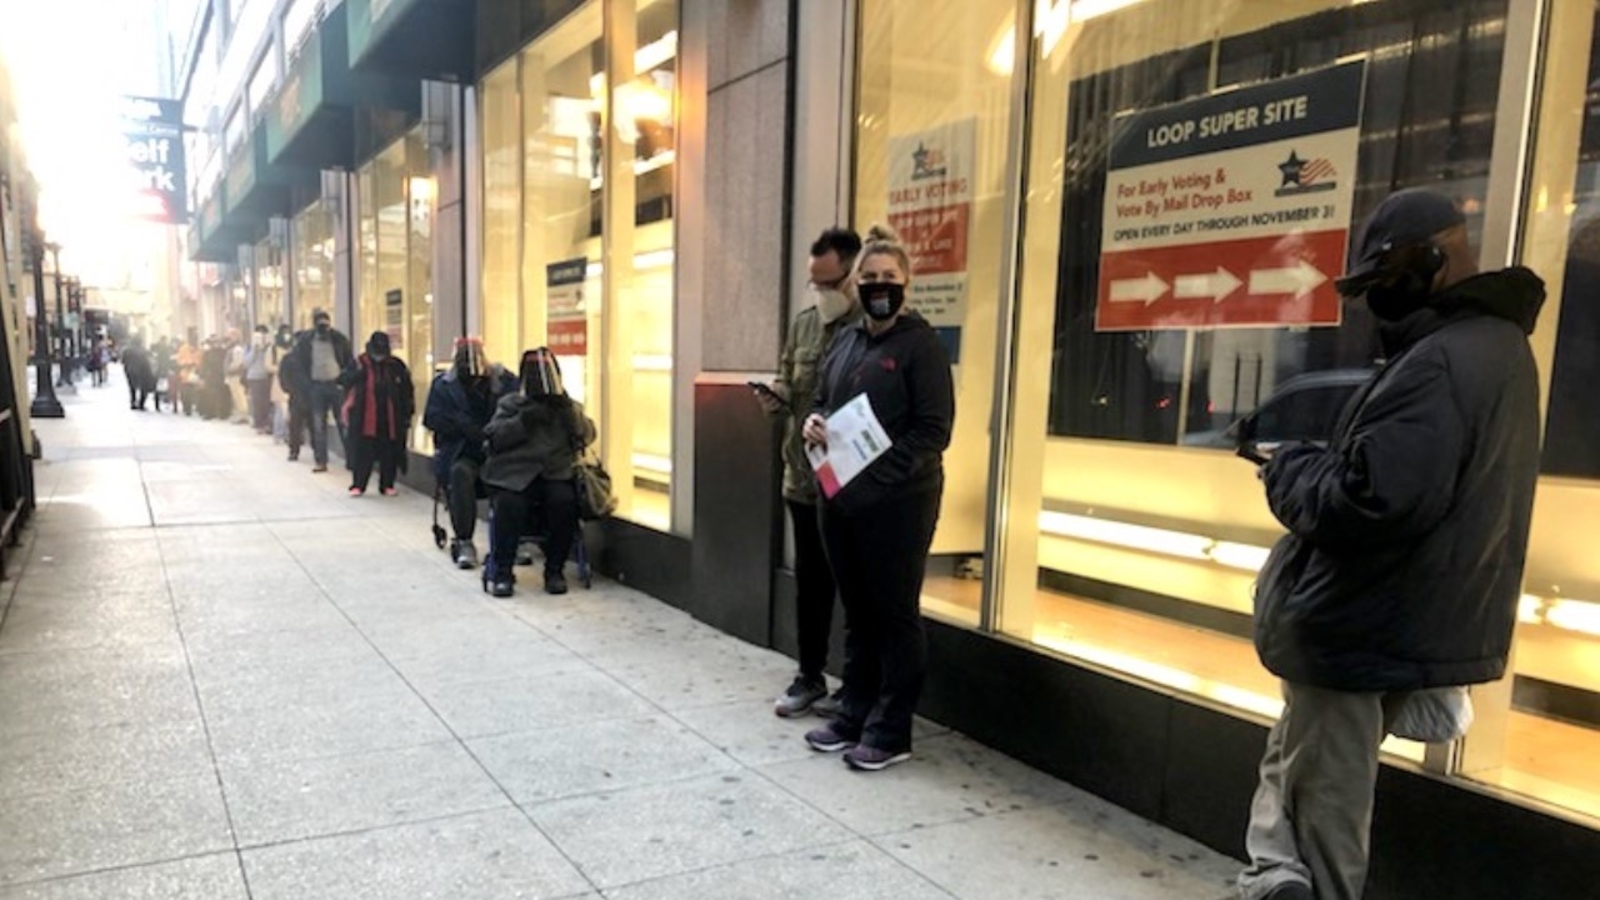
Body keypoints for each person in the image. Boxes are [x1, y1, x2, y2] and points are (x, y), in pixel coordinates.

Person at [1235, 190, 1544, 900]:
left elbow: (1369, 500)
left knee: (1323, 814)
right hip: (1401, 617)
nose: (1376, 302)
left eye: (1381, 282)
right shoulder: (1498, 351)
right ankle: (1276, 882)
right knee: (1294, 776)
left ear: (1431, 263)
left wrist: (1289, 468)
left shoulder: (1441, 361)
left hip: (1362, 620)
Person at [799, 224, 955, 772]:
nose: (879, 285)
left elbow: (932, 433)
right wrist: (813, 422)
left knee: (893, 614)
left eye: (889, 277)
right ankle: (853, 712)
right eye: (869, 277)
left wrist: (876, 477)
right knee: (858, 612)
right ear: (855, 284)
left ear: (907, 283)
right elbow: (822, 398)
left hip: (898, 504)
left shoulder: (921, 347)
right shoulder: (844, 340)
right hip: (839, 499)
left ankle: (891, 731)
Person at [756, 226, 863, 718]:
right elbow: (787, 379)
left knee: (857, 585)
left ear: (853, 275)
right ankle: (810, 674)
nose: (820, 293)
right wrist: (774, 397)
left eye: (829, 283)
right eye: (814, 284)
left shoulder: (872, 329)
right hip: (803, 478)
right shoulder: (802, 325)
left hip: (854, 484)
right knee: (812, 583)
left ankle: (854, 682)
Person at [481, 348, 595, 598]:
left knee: (564, 502)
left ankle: (555, 570)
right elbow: (494, 438)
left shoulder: (567, 406)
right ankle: (503, 571)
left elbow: (587, 435)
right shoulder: (510, 405)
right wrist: (524, 421)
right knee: (508, 504)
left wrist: (567, 412)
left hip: (555, 473)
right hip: (516, 475)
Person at [424, 337, 517, 570]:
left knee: (520, 474)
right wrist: (459, 424)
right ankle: (464, 539)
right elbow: (431, 418)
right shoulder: (443, 386)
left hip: (499, 451)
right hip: (463, 452)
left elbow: (520, 408)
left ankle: (516, 539)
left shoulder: (504, 381)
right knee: (460, 474)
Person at [338, 331, 414, 497]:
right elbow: (342, 380)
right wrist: (357, 376)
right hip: (364, 417)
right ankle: (358, 484)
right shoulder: (359, 363)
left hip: (390, 418)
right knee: (362, 452)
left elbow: (407, 391)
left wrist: (407, 413)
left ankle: (387, 484)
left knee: (389, 452)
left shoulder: (396, 366)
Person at [285, 310, 355, 473]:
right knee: (318, 426)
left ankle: (352, 459)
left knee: (343, 423)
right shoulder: (306, 341)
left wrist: (344, 381)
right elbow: (298, 366)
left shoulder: (338, 339)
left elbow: (348, 361)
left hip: (336, 386)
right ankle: (321, 461)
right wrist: (307, 386)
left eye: (326, 324)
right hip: (316, 387)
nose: (324, 328)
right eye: (320, 324)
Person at [242, 325, 277, 434]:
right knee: (258, 402)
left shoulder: (270, 347)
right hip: (254, 377)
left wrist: (267, 347)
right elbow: (246, 363)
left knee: (268, 402)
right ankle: (260, 424)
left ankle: (268, 423)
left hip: (267, 376)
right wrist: (255, 350)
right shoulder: (249, 346)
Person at [199, 335, 230, 420]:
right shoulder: (207, 353)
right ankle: (210, 413)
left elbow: (226, 363)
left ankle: (223, 413)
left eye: (216, 342)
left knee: (222, 395)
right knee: (210, 396)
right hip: (211, 376)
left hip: (221, 376)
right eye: (213, 342)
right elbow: (204, 365)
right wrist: (202, 376)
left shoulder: (223, 352)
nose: (215, 344)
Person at [121, 337, 156, 411]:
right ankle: (141, 404)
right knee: (144, 388)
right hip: (142, 371)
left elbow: (123, 361)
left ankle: (133, 403)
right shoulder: (143, 350)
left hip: (129, 371)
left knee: (132, 388)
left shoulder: (126, 350)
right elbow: (148, 361)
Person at [225, 328, 249, 425]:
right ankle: (240, 415)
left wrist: (230, 369)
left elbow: (238, 362)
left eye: (231, 335)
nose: (229, 337)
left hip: (236, 375)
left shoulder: (237, 348)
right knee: (236, 396)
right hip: (232, 375)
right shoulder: (232, 348)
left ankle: (244, 415)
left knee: (240, 396)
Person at [174, 335, 200, 415]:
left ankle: (190, 407)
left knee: (192, 392)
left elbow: (200, 360)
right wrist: (186, 363)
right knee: (185, 392)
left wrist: (195, 365)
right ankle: (186, 407)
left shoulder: (198, 349)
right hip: (185, 374)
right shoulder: (183, 349)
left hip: (194, 374)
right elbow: (179, 360)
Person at [151, 337, 174, 413]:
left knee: (159, 388)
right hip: (161, 371)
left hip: (159, 371)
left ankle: (158, 404)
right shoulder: (165, 349)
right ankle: (162, 402)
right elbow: (166, 361)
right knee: (162, 387)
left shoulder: (158, 349)